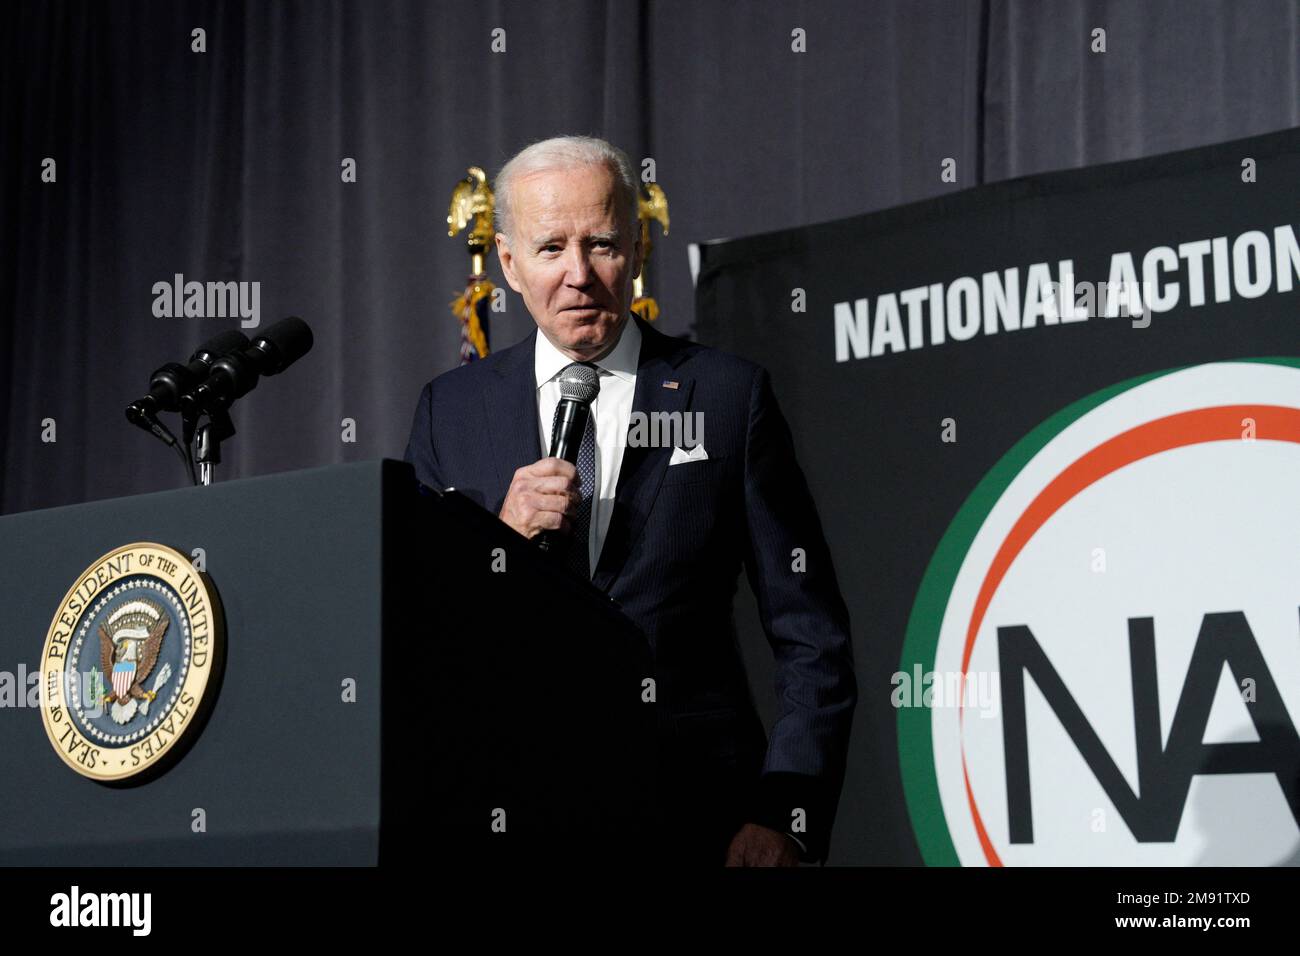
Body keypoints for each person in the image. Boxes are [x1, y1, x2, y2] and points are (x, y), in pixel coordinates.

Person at [405, 135, 856, 865]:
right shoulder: (450, 410)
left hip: (697, 822)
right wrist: (501, 542)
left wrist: (786, 812)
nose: (580, 275)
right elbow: (419, 639)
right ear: (511, 267)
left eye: (603, 244)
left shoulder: (727, 396)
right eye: (551, 248)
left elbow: (813, 636)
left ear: (638, 248)